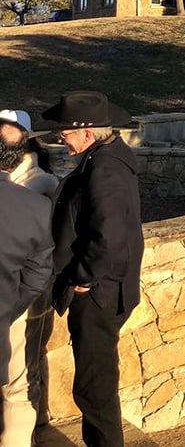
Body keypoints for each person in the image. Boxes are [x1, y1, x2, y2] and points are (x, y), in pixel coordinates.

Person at [43, 91, 143, 447]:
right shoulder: (107, 158)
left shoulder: (105, 170)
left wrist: (83, 278)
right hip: (106, 291)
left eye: (65, 132)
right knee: (95, 385)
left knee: (94, 389)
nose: (60, 137)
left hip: (99, 296)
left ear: (87, 134)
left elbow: (109, 237)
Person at [0, 108, 58, 447]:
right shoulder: (36, 206)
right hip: (11, 312)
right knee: (16, 390)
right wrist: (10, 307)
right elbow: (38, 274)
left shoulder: (41, 191)